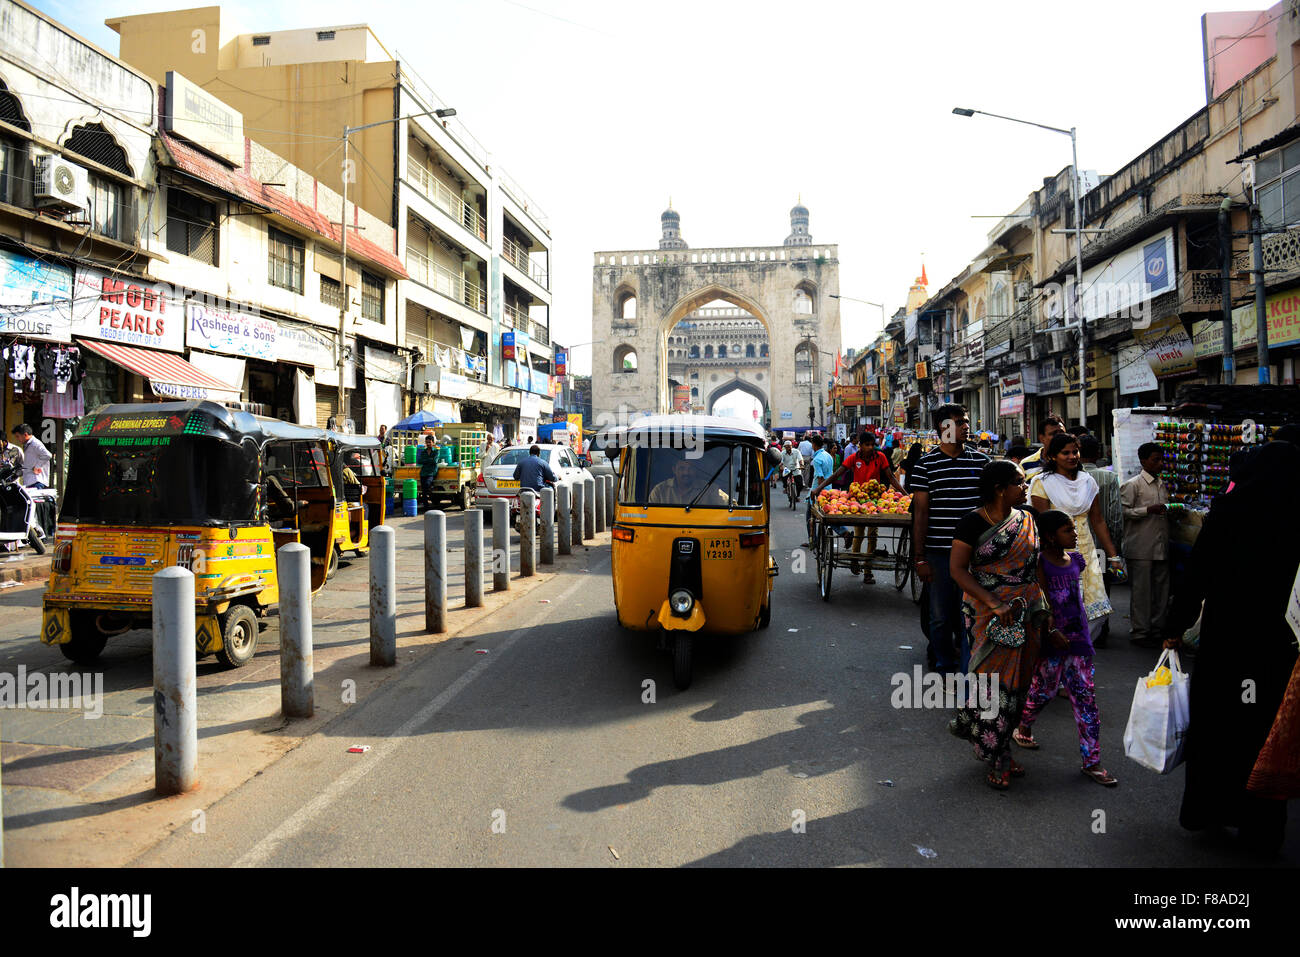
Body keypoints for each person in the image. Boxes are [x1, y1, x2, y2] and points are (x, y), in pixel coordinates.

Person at [1164, 440, 1300, 853]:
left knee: (1218, 725)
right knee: (1264, 731)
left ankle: (1207, 807)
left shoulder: (1231, 510)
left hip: (1228, 638)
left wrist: (1175, 624)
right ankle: (1262, 826)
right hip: (1278, 643)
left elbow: (1197, 573)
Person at [947, 460, 1046, 789]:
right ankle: (997, 752)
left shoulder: (1028, 519)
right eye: (1018, 483)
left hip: (1027, 611)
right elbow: (958, 570)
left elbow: (1035, 567)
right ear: (998, 488)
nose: (1024, 488)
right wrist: (995, 603)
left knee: (1021, 684)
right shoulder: (971, 524)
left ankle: (1002, 743)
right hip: (989, 614)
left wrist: (1044, 608)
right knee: (993, 685)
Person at [1012, 509, 1118, 786]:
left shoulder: (1076, 560)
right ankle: (1023, 725)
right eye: (1067, 530)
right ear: (1049, 536)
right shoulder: (1039, 564)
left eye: (1073, 529)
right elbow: (1042, 601)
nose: (1074, 534)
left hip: (1079, 641)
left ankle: (1092, 762)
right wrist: (1051, 631)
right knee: (1043, 691)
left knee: (1086, 702)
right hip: (1052, 640)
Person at [910, 405, 991, 672]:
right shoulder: (925, 466)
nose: (966, 426)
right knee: (940, 616)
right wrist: (919, 557)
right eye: (958, 422)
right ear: (943, 429)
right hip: (939, 552)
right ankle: (944, 664)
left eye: (966, 421)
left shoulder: (982, 463)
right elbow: (921, 514)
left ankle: (969, 667)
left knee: (971, 614)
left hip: (976, 553)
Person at [1028, 432, 1122, 645]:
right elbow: (1043, 525)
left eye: (1075, 451)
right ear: (1052, 456)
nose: (1072, 456)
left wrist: (1113, 557)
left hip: (1087, 551)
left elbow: (1097, 521)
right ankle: (1061, 654)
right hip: (1056, 557)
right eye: (1065, 453)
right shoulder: (1041, 483)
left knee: (1097, 608)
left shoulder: (1087, 481)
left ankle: (1078, 650)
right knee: (1062, 607)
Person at [818, 431, 906, 584]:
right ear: (860, 445)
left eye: (872, 445)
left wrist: (906, 495)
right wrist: (819, 488)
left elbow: (891, 477)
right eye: (867, 445)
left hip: (876, 501)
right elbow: (837, 474)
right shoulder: (854, 457)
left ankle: (868, 570)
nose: (870, 447)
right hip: (857, 500)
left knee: (873, 535)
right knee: (859, 534)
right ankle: (854, 560)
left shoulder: (880, 457)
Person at [1119, 442, 1170, 649]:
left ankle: (1157, 629)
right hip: (1140, 546)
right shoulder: (1133, 485)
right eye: (1155, 459)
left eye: (1161, 459)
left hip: (1160, 546)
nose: (1160, 464)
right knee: (1141, 592)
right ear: (1143, 461)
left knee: (1162, 590)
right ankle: (1140, 631)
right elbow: (1123, 513)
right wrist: (1147, 510)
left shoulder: (1161, 484)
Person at [648, 457, 729, 507]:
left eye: (690, 469)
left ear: (696, 470)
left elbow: (733, 506)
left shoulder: (709, 489)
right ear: (674, 470)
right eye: (682, 468)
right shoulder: (660, 490)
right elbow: (650, 515)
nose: (686, 473)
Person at [804, 433, 836, 547]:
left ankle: (813, 540)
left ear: (813, 444)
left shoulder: (817, 459)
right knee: (827, 515)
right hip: (829, 489)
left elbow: (820, 478)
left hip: (817, 491)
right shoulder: (828, 455)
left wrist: (818, 493)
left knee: (810, 516)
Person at [11, 424, 50, 488]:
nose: (17, 439)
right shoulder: (28, 445)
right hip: (30, 481)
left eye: (18, 436)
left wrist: (37, 467)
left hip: (36, 481)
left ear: (25, 435)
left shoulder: (35, 443)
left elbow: (47, 455)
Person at [416, 433, 440, 500]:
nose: (428, 444)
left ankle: (431, 496)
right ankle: (426, 505)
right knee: (423, 490)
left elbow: (435, 461)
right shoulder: (423, 452)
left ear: (433, 442)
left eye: (429, 442)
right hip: (423, 472)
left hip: (431, 472)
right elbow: (420, 461)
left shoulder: (436, 451)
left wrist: (426, 460)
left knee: (427, 484)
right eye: (427, 442)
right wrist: (430, 460)